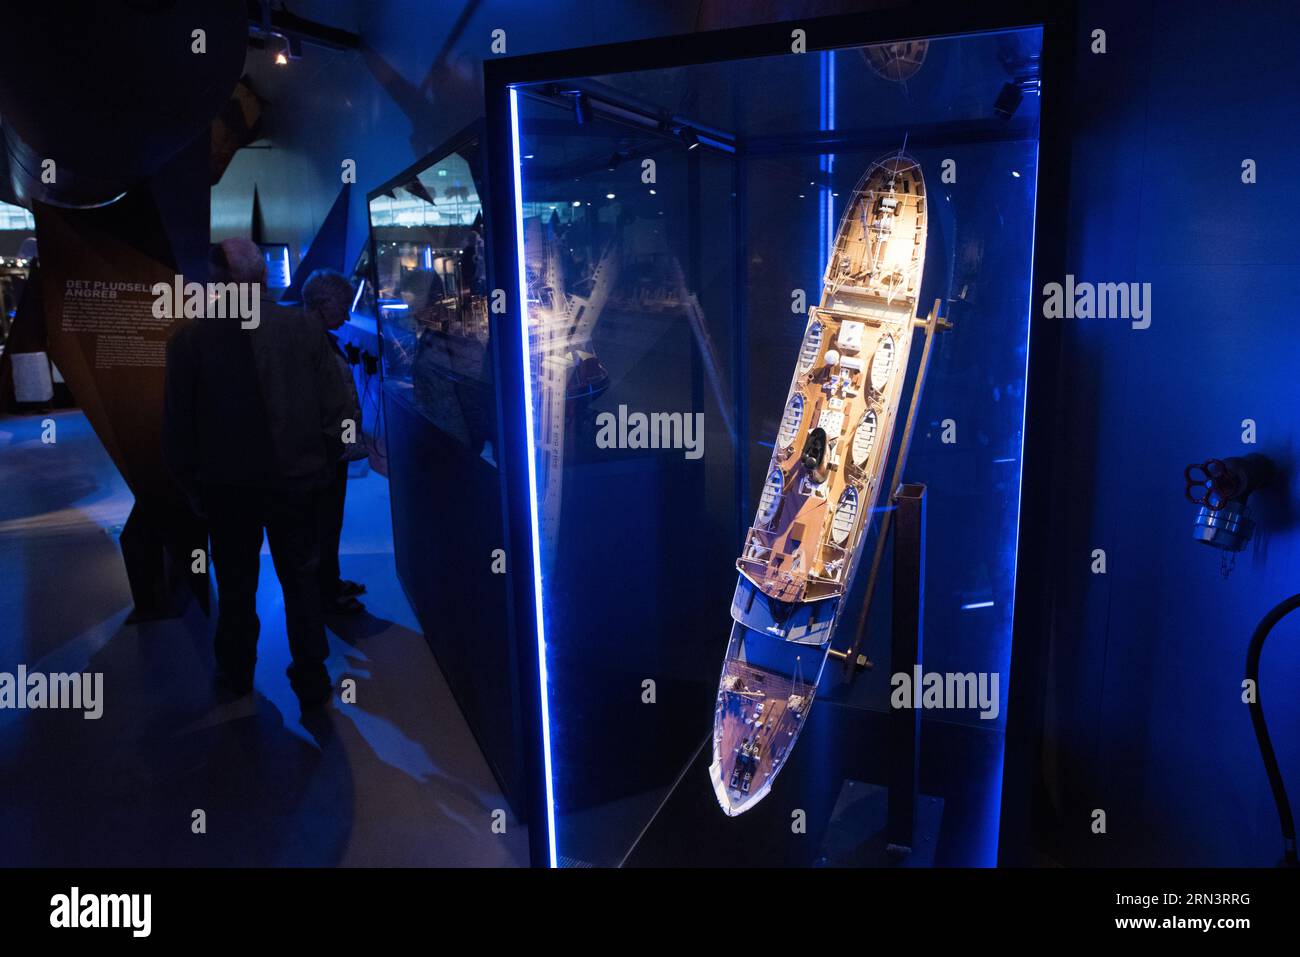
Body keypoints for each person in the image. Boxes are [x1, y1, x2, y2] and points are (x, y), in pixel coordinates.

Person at [163, 238, 353, 708]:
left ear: (216, 281)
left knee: (236, 584)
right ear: (262, 278)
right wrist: (327, 462)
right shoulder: (304, 329)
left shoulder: (188, 341)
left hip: (227, 489)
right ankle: (311, 678)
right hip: (298, 483)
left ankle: (236, 673)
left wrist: (191, 485)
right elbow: (338, 407)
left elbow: (177, 428)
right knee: (302, 582)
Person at [301, 268, 367, 614]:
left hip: (330, 453)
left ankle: (329, 584)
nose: (346, 313)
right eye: (342, 305)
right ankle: (325, 595)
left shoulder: (319, 340)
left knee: (329, 525)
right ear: (323, 303)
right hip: (324, 456)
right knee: (323, 527)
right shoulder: (311, 344)